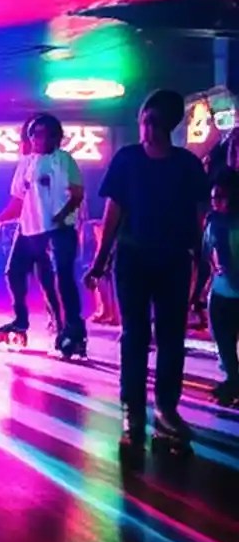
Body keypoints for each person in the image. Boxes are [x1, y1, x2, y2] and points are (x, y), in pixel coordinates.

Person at [86, 90, 209, 454]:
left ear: (169, 124)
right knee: (135, 336)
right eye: (144, 121)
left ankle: (167, 410)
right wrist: (100, 259)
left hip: (173, 260)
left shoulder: (186, 165)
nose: (147, 129)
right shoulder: (127, 160)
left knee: (172, 338)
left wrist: (201, 263)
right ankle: (132, 412)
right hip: (134, 259)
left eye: (153, 122)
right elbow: (113, 212)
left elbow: (201, 219)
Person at [0, 114, 86, 354]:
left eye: (43, 133)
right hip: (29, 231)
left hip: (58, 232)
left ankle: (72, 330)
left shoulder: (63, 160)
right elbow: (18, 201)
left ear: (55, 136)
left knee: (59, 282)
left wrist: (61, 217)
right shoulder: (26, 163)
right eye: (34, 134)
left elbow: (77, 193)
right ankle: (20, 320)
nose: (38, 138)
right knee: (13, 273)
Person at [203, 178, 239, 408]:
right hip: (220, 292)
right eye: (213, 198)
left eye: (221, 198)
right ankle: (233, 381)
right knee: (224, 342)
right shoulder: (212, 223)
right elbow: (206, 254)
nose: (216, 202)